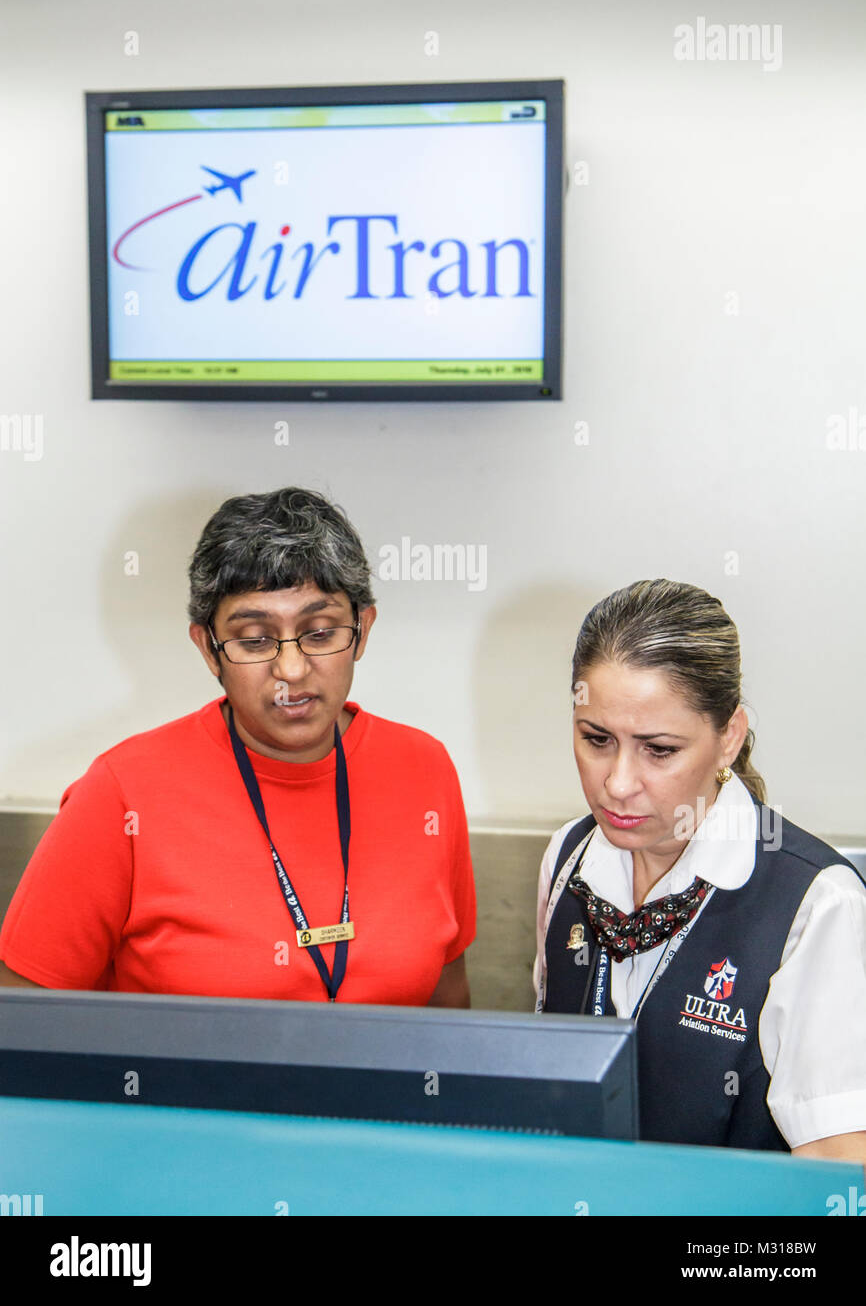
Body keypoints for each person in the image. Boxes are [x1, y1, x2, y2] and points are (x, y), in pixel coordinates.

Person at [0, 488, 475, 1006]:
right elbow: (22, 1024)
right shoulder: (121, 794)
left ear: (362, 631)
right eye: (254, 639)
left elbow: (447, 1005)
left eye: (319, 633)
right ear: (208, 648)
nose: (291, 670)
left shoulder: (424, 771)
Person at [535, 579, 866, 1163]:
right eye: (596, 739)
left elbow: (838, 1170)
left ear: (728, 738)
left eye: (658, 749)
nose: (617, 783)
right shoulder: (567, 857)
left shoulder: (817, 906)